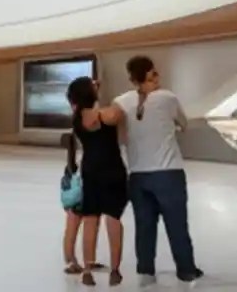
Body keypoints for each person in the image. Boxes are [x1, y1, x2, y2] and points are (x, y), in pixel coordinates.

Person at [113, 56, 203, 283]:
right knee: (177, 225)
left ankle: (146, 271)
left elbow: (122, 137)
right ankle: (186, 270)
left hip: (137, 175)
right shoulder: (168, 98)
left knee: (144, 226)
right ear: (150, 75)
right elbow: (184, 123)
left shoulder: (121, 101)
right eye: (155, 72)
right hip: (168, 173)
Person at [66, 77, 126, 287]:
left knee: (91, 218)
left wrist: (91, 90)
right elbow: (117, 114)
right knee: (113, 218)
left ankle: (87, 269)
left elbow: (91, 111)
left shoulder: (76, 118)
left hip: (90, 171)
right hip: (113, 170)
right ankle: (115, 269)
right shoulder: (105, 115)